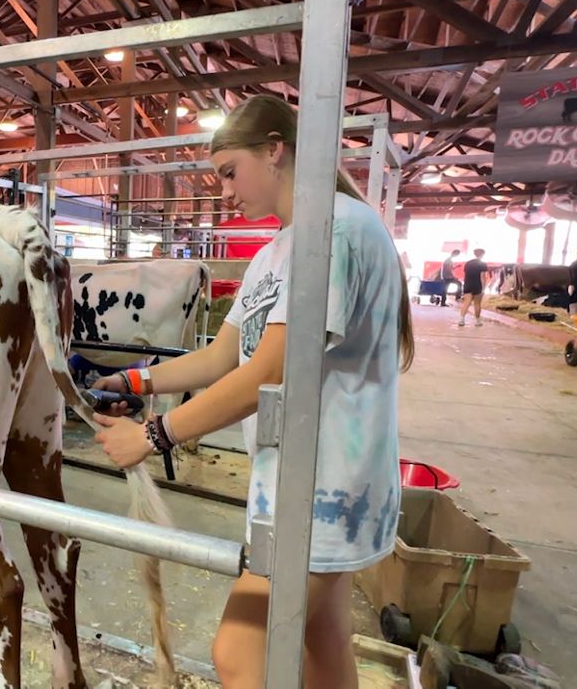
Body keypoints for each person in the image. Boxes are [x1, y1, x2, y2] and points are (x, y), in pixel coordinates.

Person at [89, 94, 414, 689]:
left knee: (238, 654)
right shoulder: (276, 251)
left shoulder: (335, 229)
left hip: (322, 489)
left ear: (275, 150)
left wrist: (154, 435)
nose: (226, 192)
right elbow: (221, 356)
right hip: (292, 484)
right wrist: (130, 379)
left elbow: (270, 370)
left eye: (230, 172)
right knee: (322, 641)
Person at [458, 249, 489, 327]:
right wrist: (483, 287)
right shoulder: (482, 264)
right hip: (477, 285)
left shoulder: (468, 263)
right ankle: (477, 321)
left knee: (466, 303)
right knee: (477, 303)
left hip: (468, 284)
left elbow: (466, 275)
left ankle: (461, 320)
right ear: (482, 254)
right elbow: (482, 276)